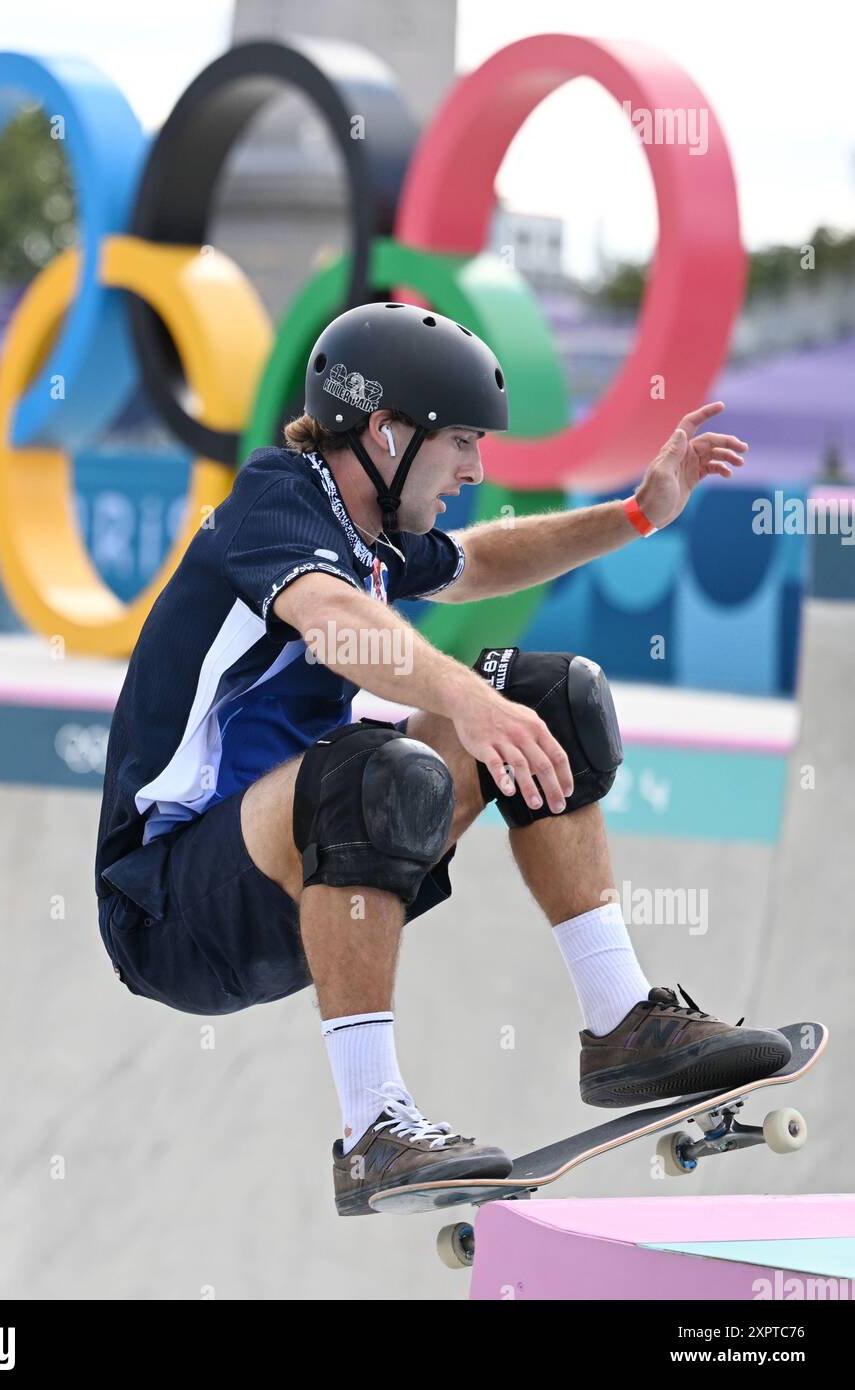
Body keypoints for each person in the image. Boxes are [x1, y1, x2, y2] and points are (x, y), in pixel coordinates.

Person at [95, 302, 791, 1216]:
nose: (474, 469)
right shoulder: (276, 502)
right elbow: (337, 624)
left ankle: (622, 1023)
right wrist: (466, 701)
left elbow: (478, 559)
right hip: (174, 904)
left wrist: (634, 514)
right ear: (384, 433)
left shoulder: (367, 534)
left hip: (291, 869)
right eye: (461, 441)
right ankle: (372, 1126)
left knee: (551, 696)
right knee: (378, 767)